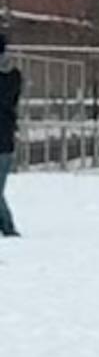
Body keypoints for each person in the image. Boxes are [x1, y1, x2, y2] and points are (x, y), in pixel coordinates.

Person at [0, 34, 21, 239]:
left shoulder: (12, 76)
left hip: (3, 142)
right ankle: (7, 227)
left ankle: (8, 228)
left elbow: (6, 103)